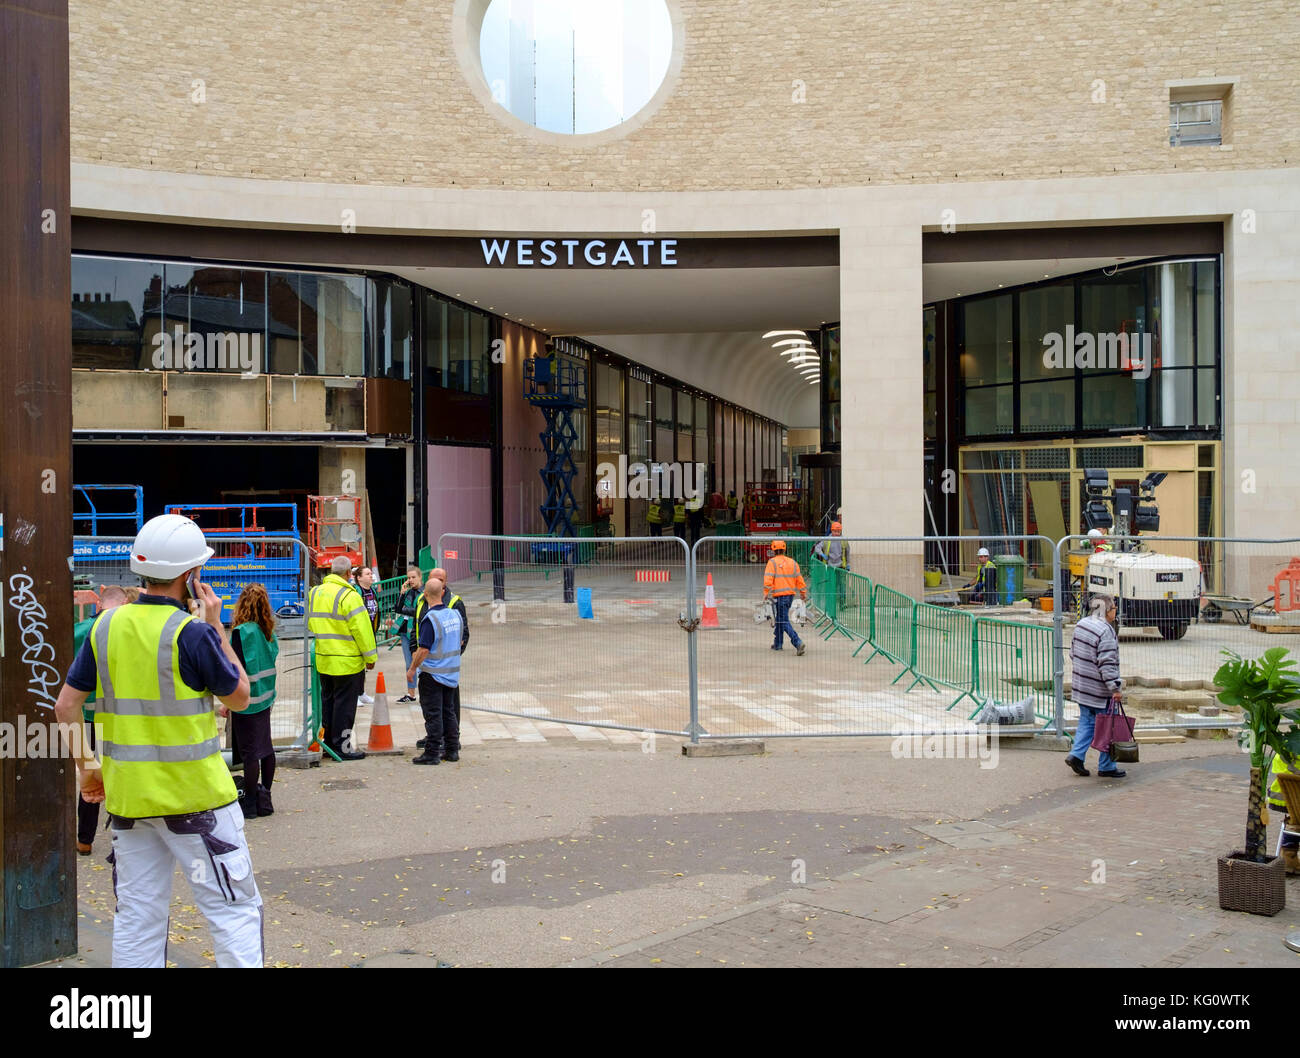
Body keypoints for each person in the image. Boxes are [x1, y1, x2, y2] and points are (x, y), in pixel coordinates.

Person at [53, 513, 262, 967]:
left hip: (131, 802)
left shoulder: (104, 628)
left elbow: (65, 707)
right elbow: (242, 698)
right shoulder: (194, 634)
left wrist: (88, 769)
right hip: (197, 802)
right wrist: (217, 628)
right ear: (191, 575)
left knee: (137, 920)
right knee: (233, 912)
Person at [70, 584, 139, 855]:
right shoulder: (125, 632)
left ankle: (83, 839)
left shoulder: (79, 631)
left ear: (98, 605)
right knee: (122, 773)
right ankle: (125, 837)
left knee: (91, 773)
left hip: (86, 716)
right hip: (118, 717)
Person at [307, 555, 377, 760]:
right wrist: (370, 657)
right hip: (347, 661)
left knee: (327, 703)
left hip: (323, 659)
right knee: (345, 707)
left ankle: (328, 744)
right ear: (348, 574)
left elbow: (312, 623)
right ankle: (343, 747)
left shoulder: (315, 592)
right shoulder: (350, 596)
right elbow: (362, 630)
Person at [229, 583, 279, 819]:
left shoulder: (242, 632)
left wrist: (227, 701)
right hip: (266, 696)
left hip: (247, 700)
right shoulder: (267, 630)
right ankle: (264, 796)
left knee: (250, 754)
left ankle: (249, 805)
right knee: (266, 748)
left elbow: (234, 668)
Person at [1066, 594, 1127, 779]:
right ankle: (1107, 766)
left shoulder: (1082, 624)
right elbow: (1107, 664)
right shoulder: (1106, 631)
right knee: (1109, 725)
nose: (1115, 611)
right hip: (1099, 691)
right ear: (1106, 610)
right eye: (1114, 607)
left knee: (1087, 721)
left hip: (1081, 686)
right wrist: (1115, 688)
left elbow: (1072, 652)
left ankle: (1076, 755)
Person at [407, 571, 464, 766]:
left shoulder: (431, 619)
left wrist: (412, 669)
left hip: (433, 674)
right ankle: (452, 750)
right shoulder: (455, 615)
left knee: (433, 714)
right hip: (451, 673)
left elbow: (423, 649)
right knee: (449, 712)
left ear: (425, 595)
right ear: (442, 592)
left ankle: (431, 753)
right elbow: (460, 639)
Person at [763, 539, 807, 656]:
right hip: (790, 595)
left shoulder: (772, 562)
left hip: (779, 596)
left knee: (782, 620)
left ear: (773, 550)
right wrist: (803, 592)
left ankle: (797, 642)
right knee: (780, 618)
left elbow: (768, 579)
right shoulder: (792, 562)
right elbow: (799, 579)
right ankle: (778, 643)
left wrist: (766, 592)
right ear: (784, 549)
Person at [393, 565, 423, 702]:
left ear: (420, 577)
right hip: (406, 632)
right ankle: (411, 694)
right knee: (409, 664)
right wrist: (402, 593)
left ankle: (425, 693)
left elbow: (418, 611)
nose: (410, 580)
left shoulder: (424, 593)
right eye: (408, 578)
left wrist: (406, 609)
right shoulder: (409, 592)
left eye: (413, 577)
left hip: (417, 633)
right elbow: (398, 609)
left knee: (421, 664)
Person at [1267, 749, 1300, 874]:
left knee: (1295, 817)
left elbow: (1277, 765)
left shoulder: (1287, 745)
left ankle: (1288, 857)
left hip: (1285, 799)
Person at [354, 566, 380, 705]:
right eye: (367, 574)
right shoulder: (356, 592)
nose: (371, 576)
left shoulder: (372, 590)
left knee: (365, 664)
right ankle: (355, 695)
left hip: (370, 631)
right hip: (360, 631)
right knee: (357, 664)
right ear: (359, 578)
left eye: (371, 573)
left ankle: (361, 692)